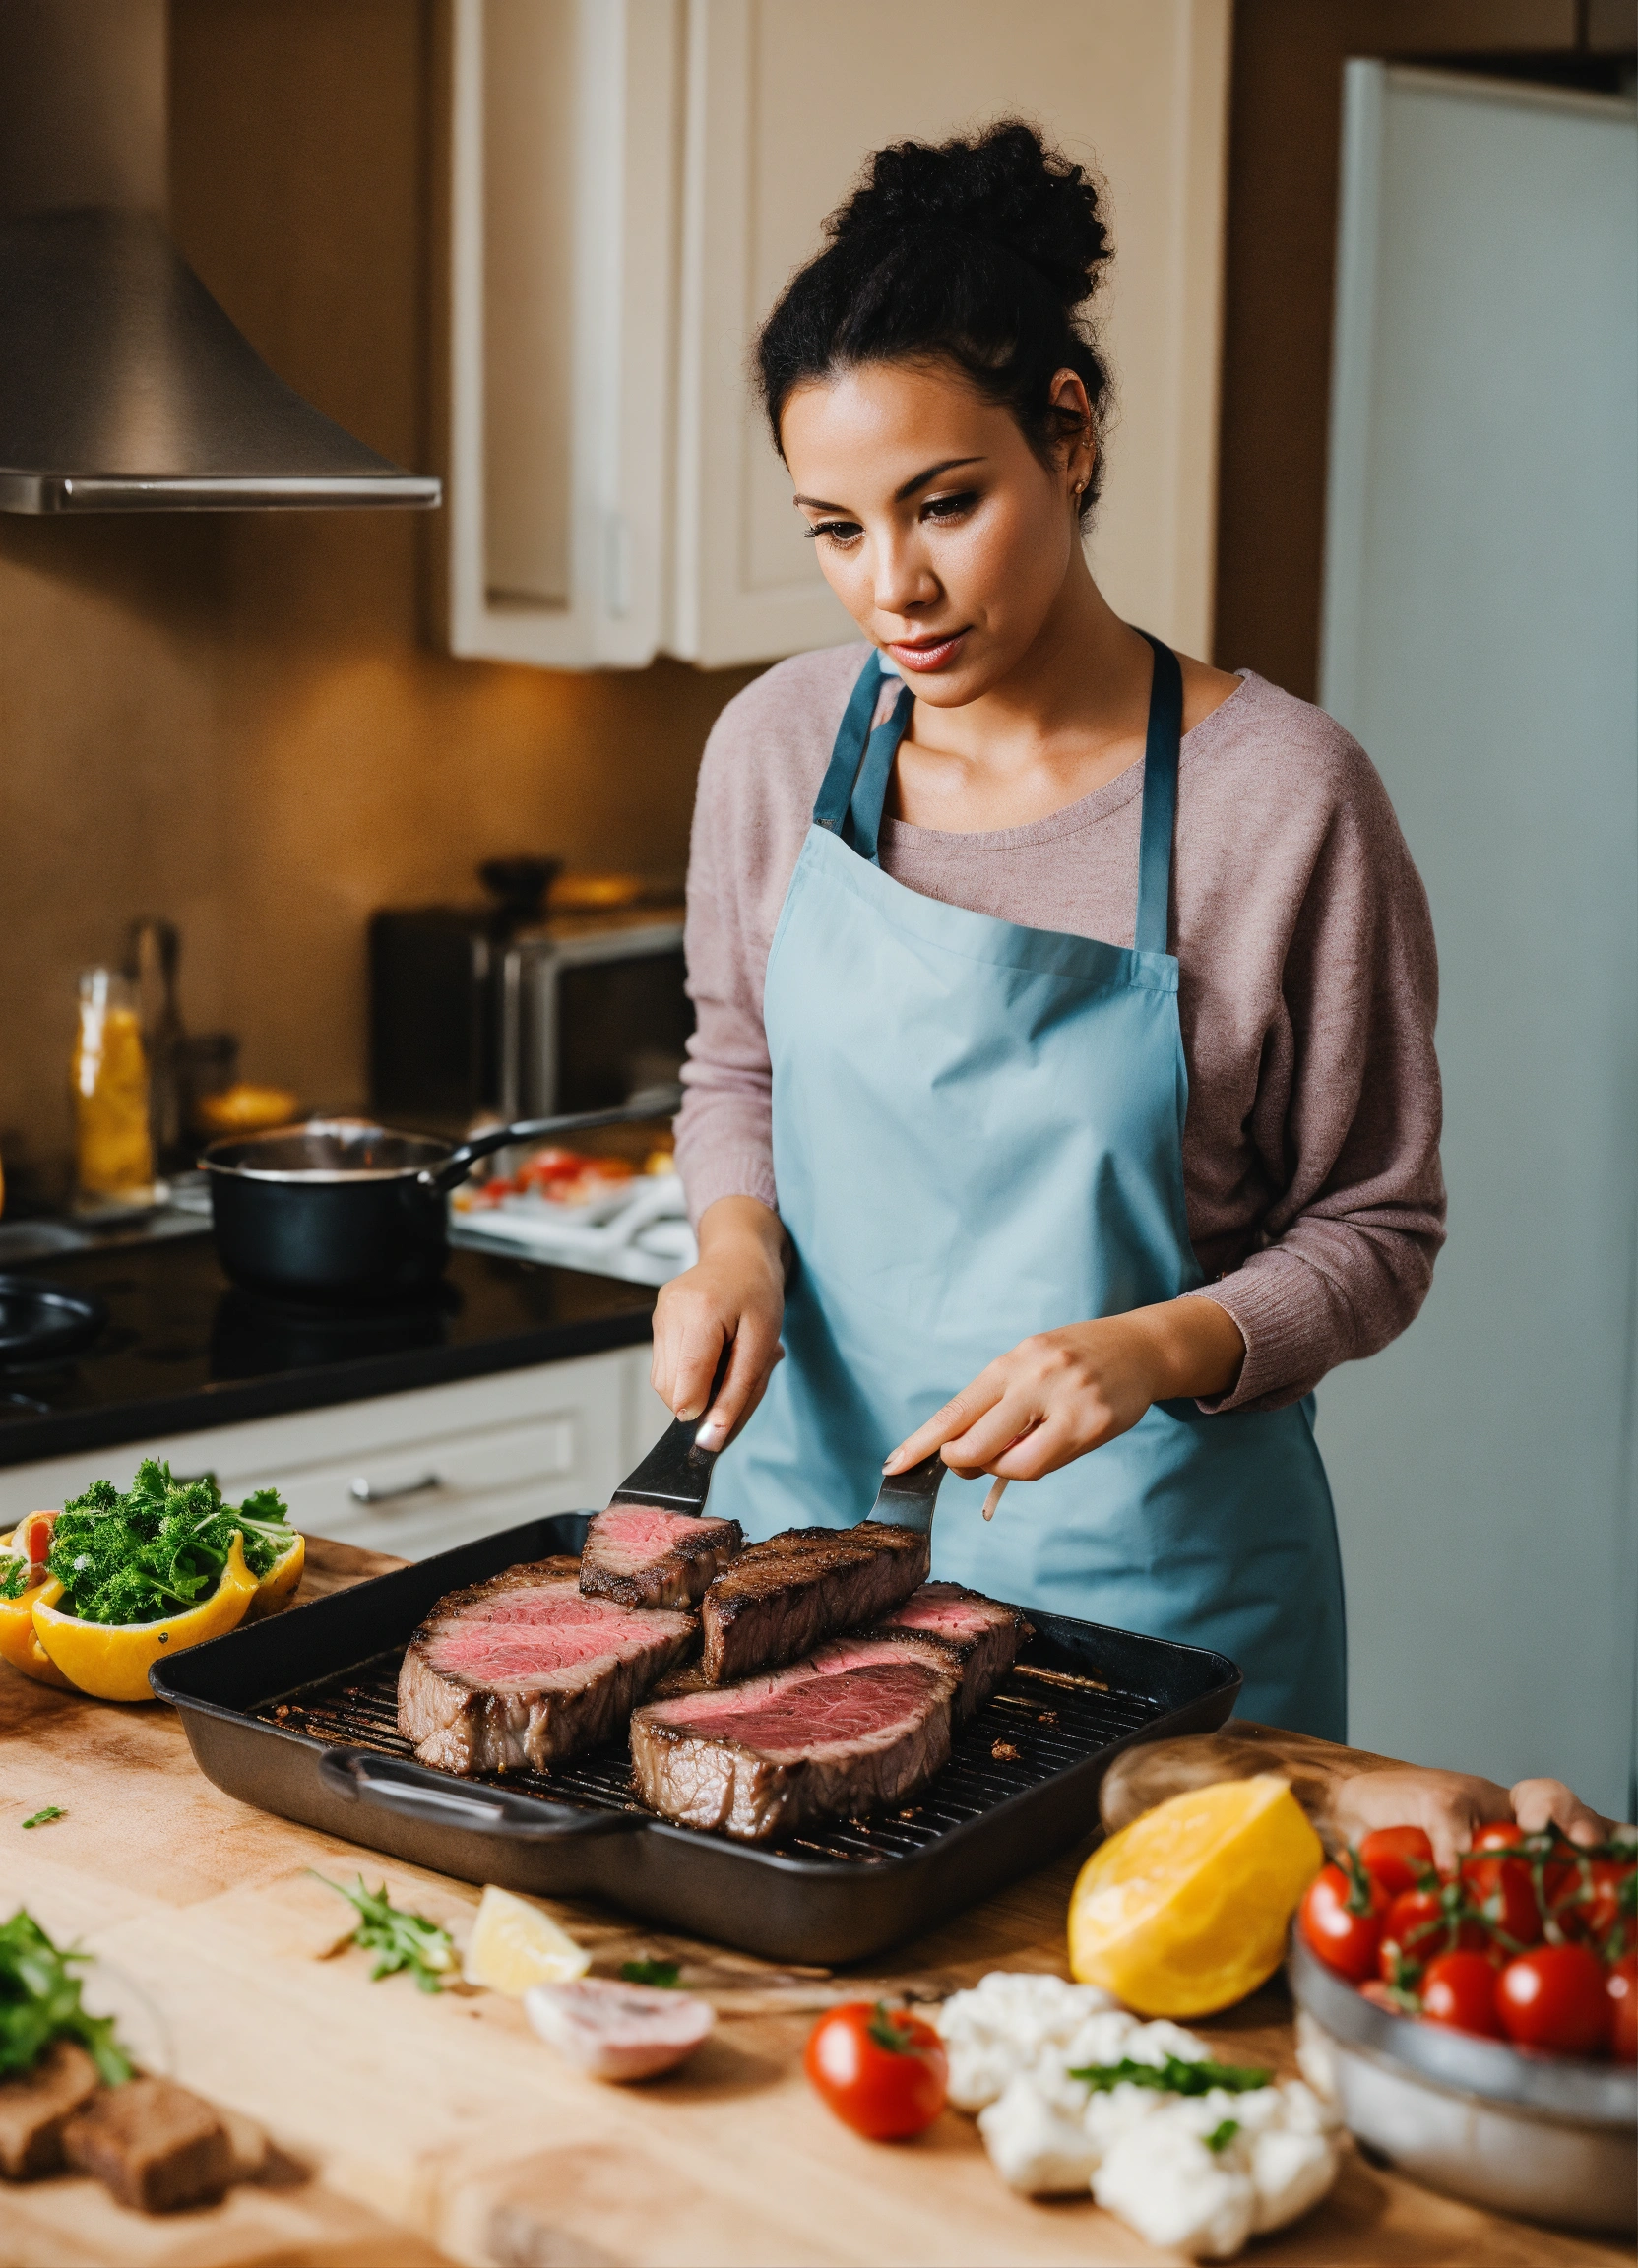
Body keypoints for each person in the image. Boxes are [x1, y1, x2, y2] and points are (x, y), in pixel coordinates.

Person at [653, 122, 1445, 1740]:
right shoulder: (778, 749)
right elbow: (736, 1065)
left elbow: (1376, 1231)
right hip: (807, 1569)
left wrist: (1156, 1349)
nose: (895, 588)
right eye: (836, 528)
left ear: (1067, 437)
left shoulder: (1283, 798)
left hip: (1156, 1599)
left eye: (943, 504)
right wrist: (731, 1236)